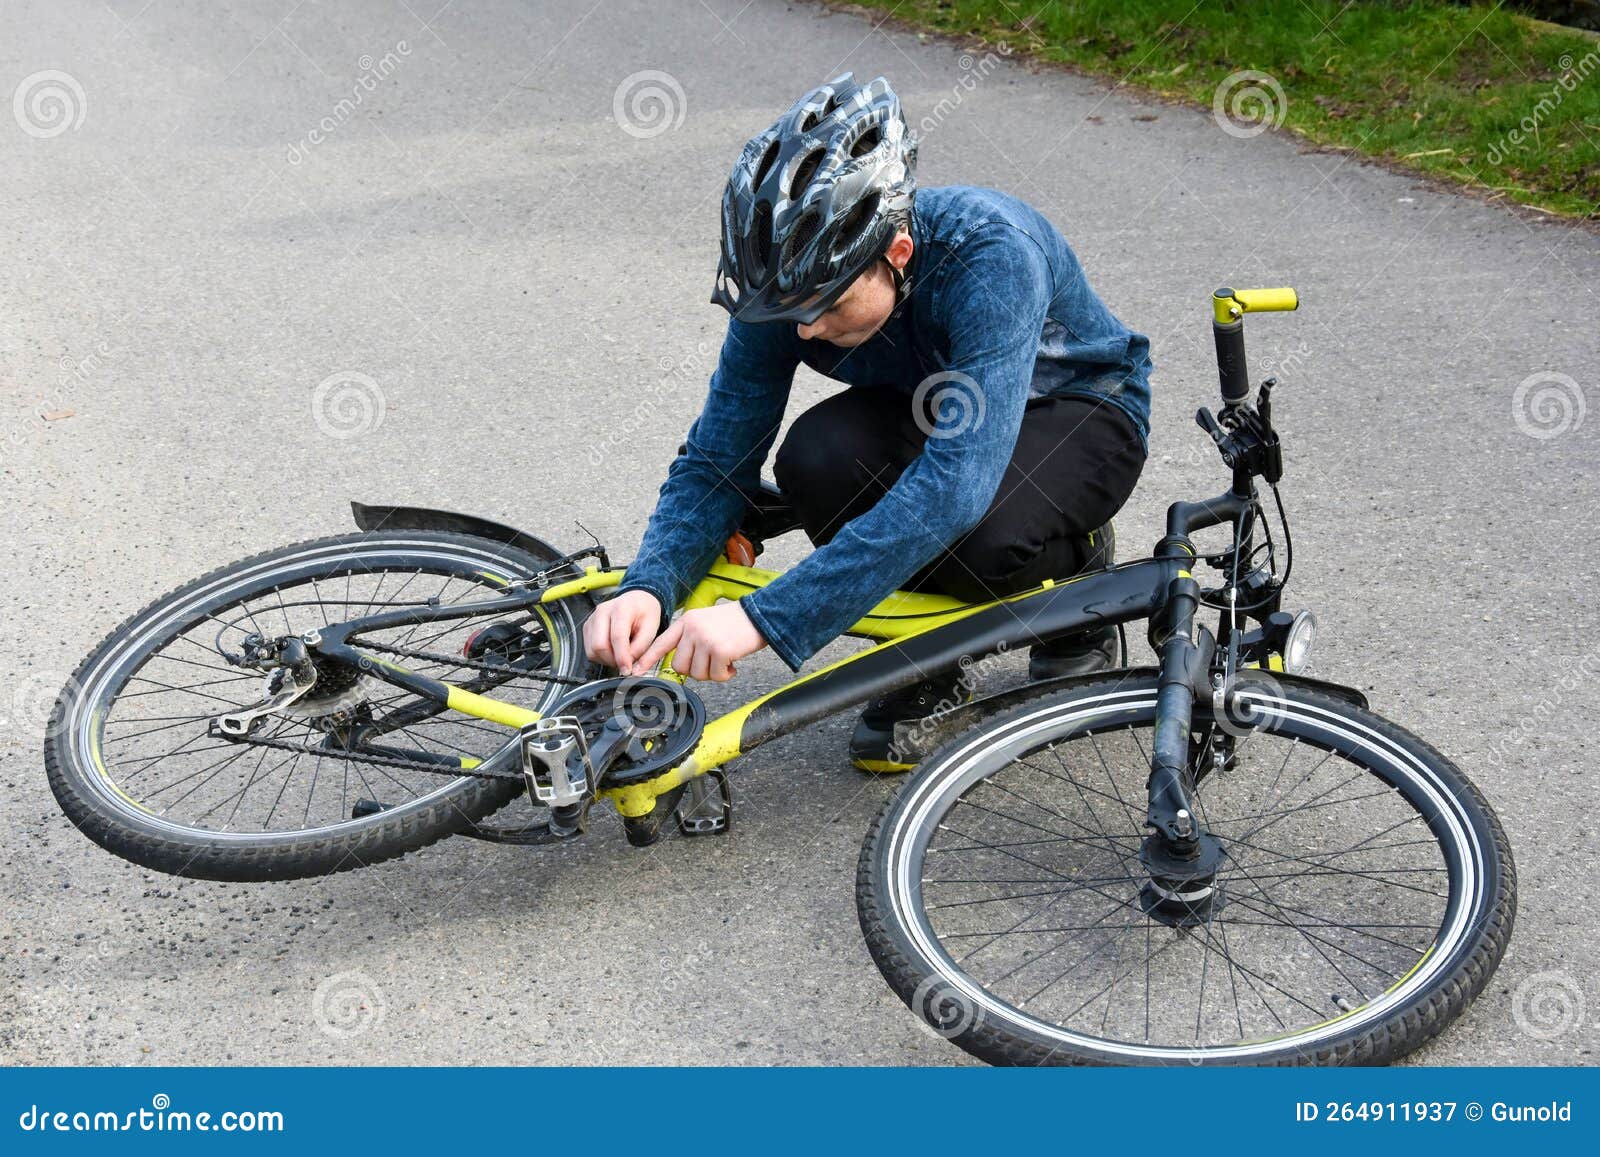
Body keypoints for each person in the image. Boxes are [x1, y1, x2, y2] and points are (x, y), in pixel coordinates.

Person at [584, 73, 1152, 771]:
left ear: (897, 254)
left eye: (827, 305)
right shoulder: (788, 288)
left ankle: (1077, 568)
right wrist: (651, 582)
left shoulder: (993, 256)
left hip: (1079, 411)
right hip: (940, 407)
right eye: (787, 312)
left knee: (984, 533)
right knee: (816, 459)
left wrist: (765, 620)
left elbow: (953, 490)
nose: (806, 328)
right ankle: (923, 669)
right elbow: (718, 457)